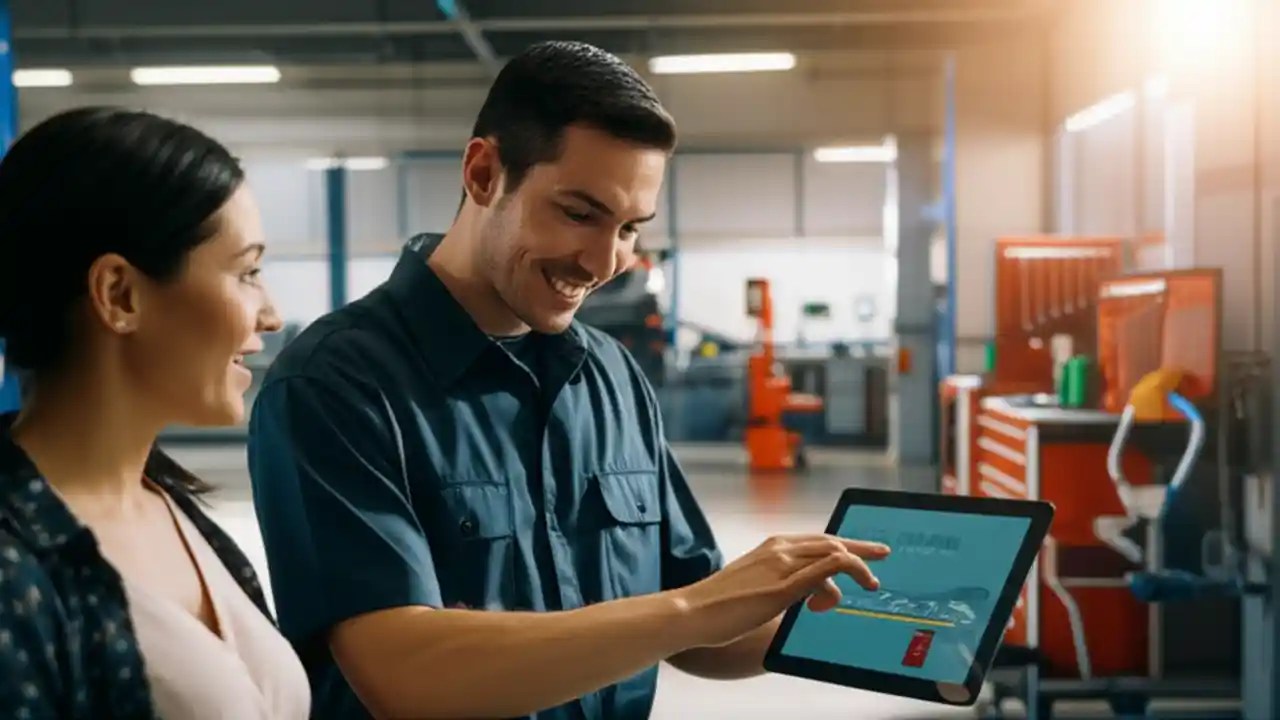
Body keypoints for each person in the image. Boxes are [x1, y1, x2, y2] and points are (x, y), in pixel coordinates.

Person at [248, 40, 889, 720]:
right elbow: (404, 677)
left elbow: (700, 633)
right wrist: (694, 608)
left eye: (631, 229)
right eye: (580, 214)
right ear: (484, 173)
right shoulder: (337, 385)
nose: (604, 261)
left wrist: (874, 623)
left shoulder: (610, 378)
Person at [0, 107, 310, 719]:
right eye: (246, 272)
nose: (270, 315)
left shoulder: (178, 512)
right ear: (120, 294)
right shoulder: (17, 565)